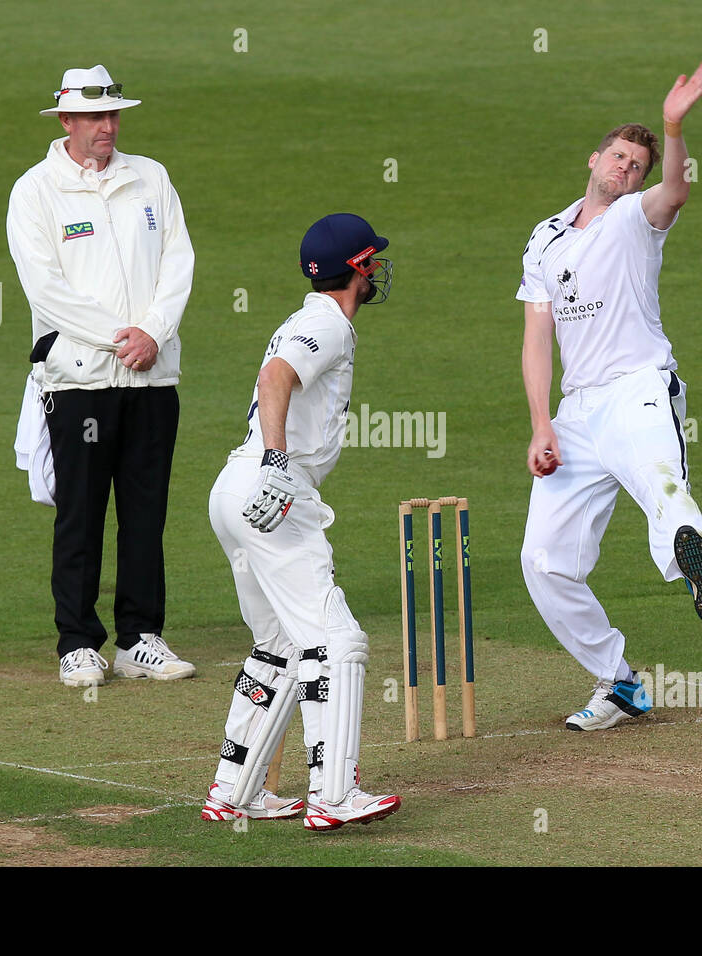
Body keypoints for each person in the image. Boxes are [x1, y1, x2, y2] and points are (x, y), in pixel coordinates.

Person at [517, 59, 702, 732]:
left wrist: (673, 125)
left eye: (637, 163)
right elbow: (536, 340)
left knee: (663, 483)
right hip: (576, 414)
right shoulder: (545, 238)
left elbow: (677, 192)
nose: (627, 170)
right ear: (595, 158)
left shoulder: (639, 218)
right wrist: (540, 425)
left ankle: (696, 565)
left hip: (639, 388)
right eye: (620, 157)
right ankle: (620, 680)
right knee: (542, 561)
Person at [200, 213, 402, 830]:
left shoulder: (310, 318)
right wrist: (279, 464)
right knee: (335, 643)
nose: (377, 274)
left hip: (236, 491)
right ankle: (335, 795)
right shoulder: (327, 323)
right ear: (360, 268)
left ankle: (236, 791)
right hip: (272, 490)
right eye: (373, 263)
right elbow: (274, 378)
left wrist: (268, 466)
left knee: (281, 646)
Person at [7, 64, 197, 687]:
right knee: (82, 512)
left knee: (146, 510)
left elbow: (178, 262)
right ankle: (77, 640)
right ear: (66, 121)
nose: (105, 127)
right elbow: (48, 293)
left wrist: (155, 333)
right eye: (93, 117)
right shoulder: (36, 191)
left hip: (152, 377)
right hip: (81, 379)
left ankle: (140, 637)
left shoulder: (152, 177)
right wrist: (124, 338)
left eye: (112, 115)